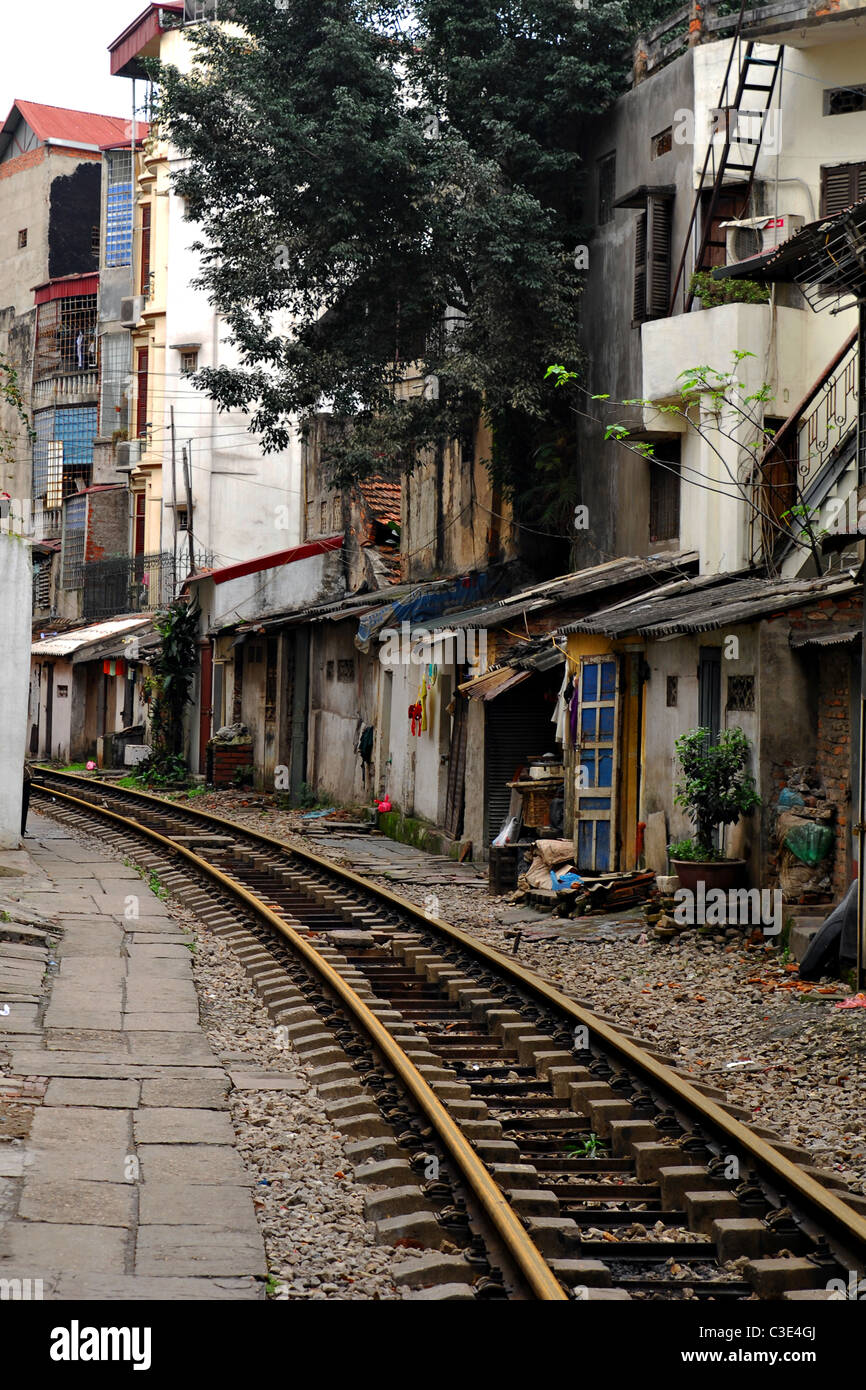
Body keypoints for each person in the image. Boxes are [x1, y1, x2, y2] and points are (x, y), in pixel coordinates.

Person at [21, 759, 31, 838]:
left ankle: (21, 830)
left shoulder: (26, 770)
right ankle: (21, 830)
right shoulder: (27, 768)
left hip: (24, 785)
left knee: (23, 807)